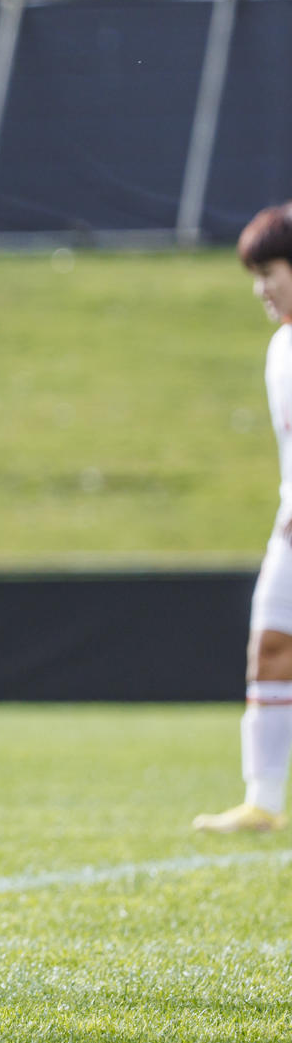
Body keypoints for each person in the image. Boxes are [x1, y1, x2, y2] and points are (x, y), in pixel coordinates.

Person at [196, 202, 292, 835]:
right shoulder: (281, 348)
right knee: (270, 649)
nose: (261, 289)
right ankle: (262, 801)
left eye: (270, 272)